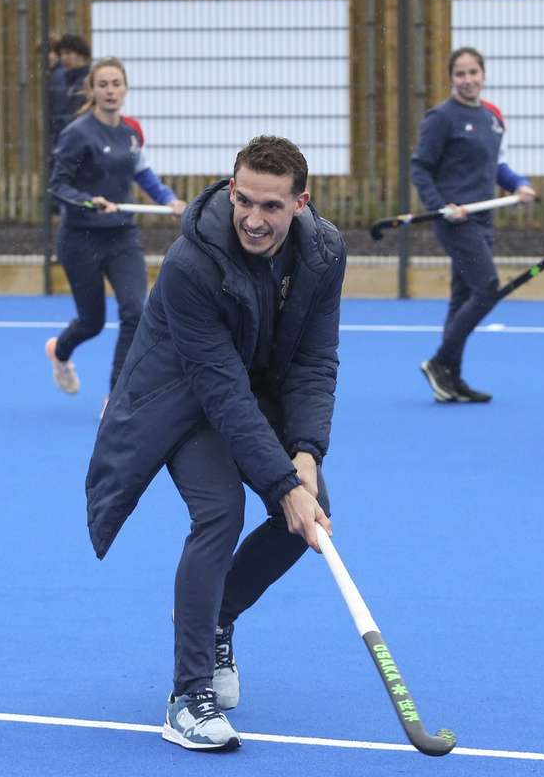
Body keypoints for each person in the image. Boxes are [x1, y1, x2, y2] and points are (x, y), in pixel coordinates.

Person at [84, 136, 346, 752]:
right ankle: (188, 696)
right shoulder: (190, 263)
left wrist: (305, 455)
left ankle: (213, 613)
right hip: (184, 395)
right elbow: (221, 391)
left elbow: (315, 359)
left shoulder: (325, 251)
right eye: (244, 200)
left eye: (272, 207)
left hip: (256, 391)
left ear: (300, 204)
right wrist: (282, 484)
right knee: (220, 511)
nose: (254, 219)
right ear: (231, 190)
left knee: (310, 512)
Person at [45, 57, 187, 401]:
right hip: (81, 238)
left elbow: (142, 173)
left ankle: (117, 398)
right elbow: (58, 185)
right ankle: (60, 352)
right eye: (103, 84)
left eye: (116, 84)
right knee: (91, 322)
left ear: (125, 89)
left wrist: (169, 199)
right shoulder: (77, 135)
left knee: (135, 312)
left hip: (122, 237)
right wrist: (89, 201)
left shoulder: (132, 131)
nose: (110, 91)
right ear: (92, 89)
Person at [410, 46, 537, 403]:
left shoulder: (492, 118)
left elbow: (497, 167)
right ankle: (439, 362)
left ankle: (451, 378)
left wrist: (519, 184)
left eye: (473, 73)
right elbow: (420, 168)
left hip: (483, 218)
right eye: (460, 74)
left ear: (483, 75)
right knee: (487, 288)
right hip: (455, 221)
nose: (468, 80)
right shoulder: (441, 118)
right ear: (452, 79)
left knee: (462, 296)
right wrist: (440, 207)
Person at [51, 34, 92, 148]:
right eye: (61, 54)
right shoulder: (63, 80)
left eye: (68, 53)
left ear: (82, 55)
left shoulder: (90, 81)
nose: (64, 57)